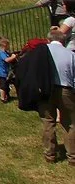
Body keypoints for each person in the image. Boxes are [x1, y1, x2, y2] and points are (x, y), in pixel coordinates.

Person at [38, 24, 75, 163]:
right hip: (66, 89)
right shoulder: (70, 54)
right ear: (63, 41)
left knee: (48, 122)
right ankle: (72, 156)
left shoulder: (42, 52)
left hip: (45, 90)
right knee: (70, 123)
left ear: (48, 40)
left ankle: (50, 155)